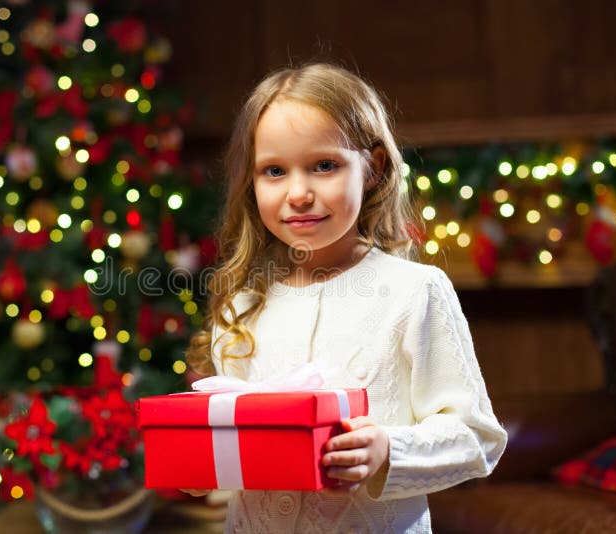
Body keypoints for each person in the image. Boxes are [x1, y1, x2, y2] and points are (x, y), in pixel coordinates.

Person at [184, 62, 507, 533]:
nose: (298, 193)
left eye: (324, 166)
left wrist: (386, 451)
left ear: (373, 168)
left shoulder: (414, 292)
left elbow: (478, 438)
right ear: (251, 183)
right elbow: (230, 453)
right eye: (274, 171)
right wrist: (197, 460)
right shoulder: (242, 305)